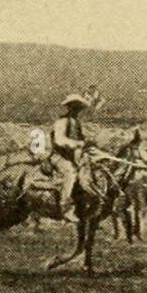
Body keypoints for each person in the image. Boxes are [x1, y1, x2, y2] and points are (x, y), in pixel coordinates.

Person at [50, 94, 94, 223]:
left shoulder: (76, 123)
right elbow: (59, 140)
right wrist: (77, 144)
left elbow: (81, 139)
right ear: (69, 107)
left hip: (73, 157)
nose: (77, 110)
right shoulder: (62, 122)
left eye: (79, 107)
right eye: (75, 107)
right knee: (70, 172)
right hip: (59, 156)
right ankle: (65, 209)